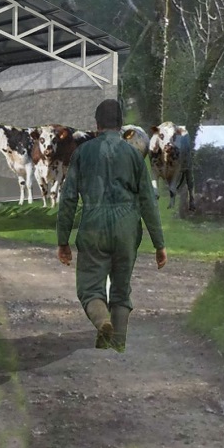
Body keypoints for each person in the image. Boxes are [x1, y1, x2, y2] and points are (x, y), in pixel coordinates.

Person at [56, 98, 168, 351]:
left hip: (93, 225)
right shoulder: (134, 154)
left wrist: (62, 240)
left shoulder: (82, 153)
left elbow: (68, 199)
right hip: (127, 226)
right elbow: (148, 202)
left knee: (90, 289)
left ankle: (103, 321)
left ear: (97, 125)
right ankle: (118, 343)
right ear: (120, 125)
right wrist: (159, 244)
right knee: (121, 289)